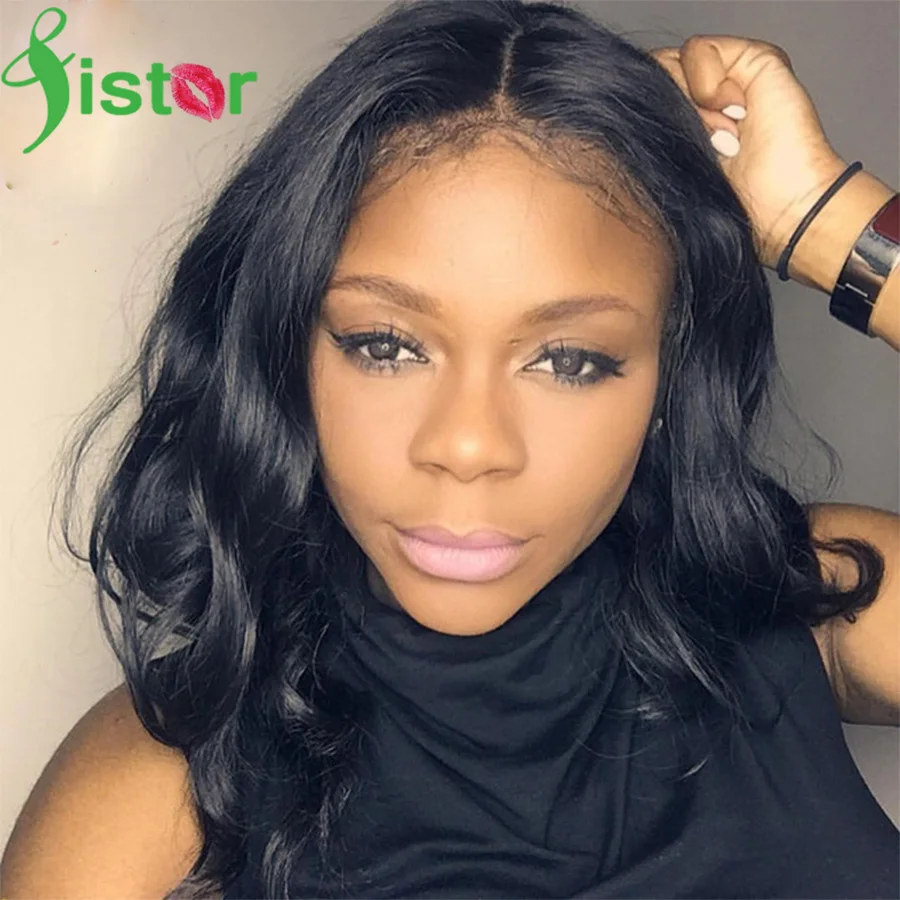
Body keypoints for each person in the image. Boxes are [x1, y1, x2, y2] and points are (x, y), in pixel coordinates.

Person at [2, 0, 898, 897]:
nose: (468, 447)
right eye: (386, 346)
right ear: (287, 354)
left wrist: (825, 222)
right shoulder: (158, 782)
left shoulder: (810, 595)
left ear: (670, 378)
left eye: (569, 360)